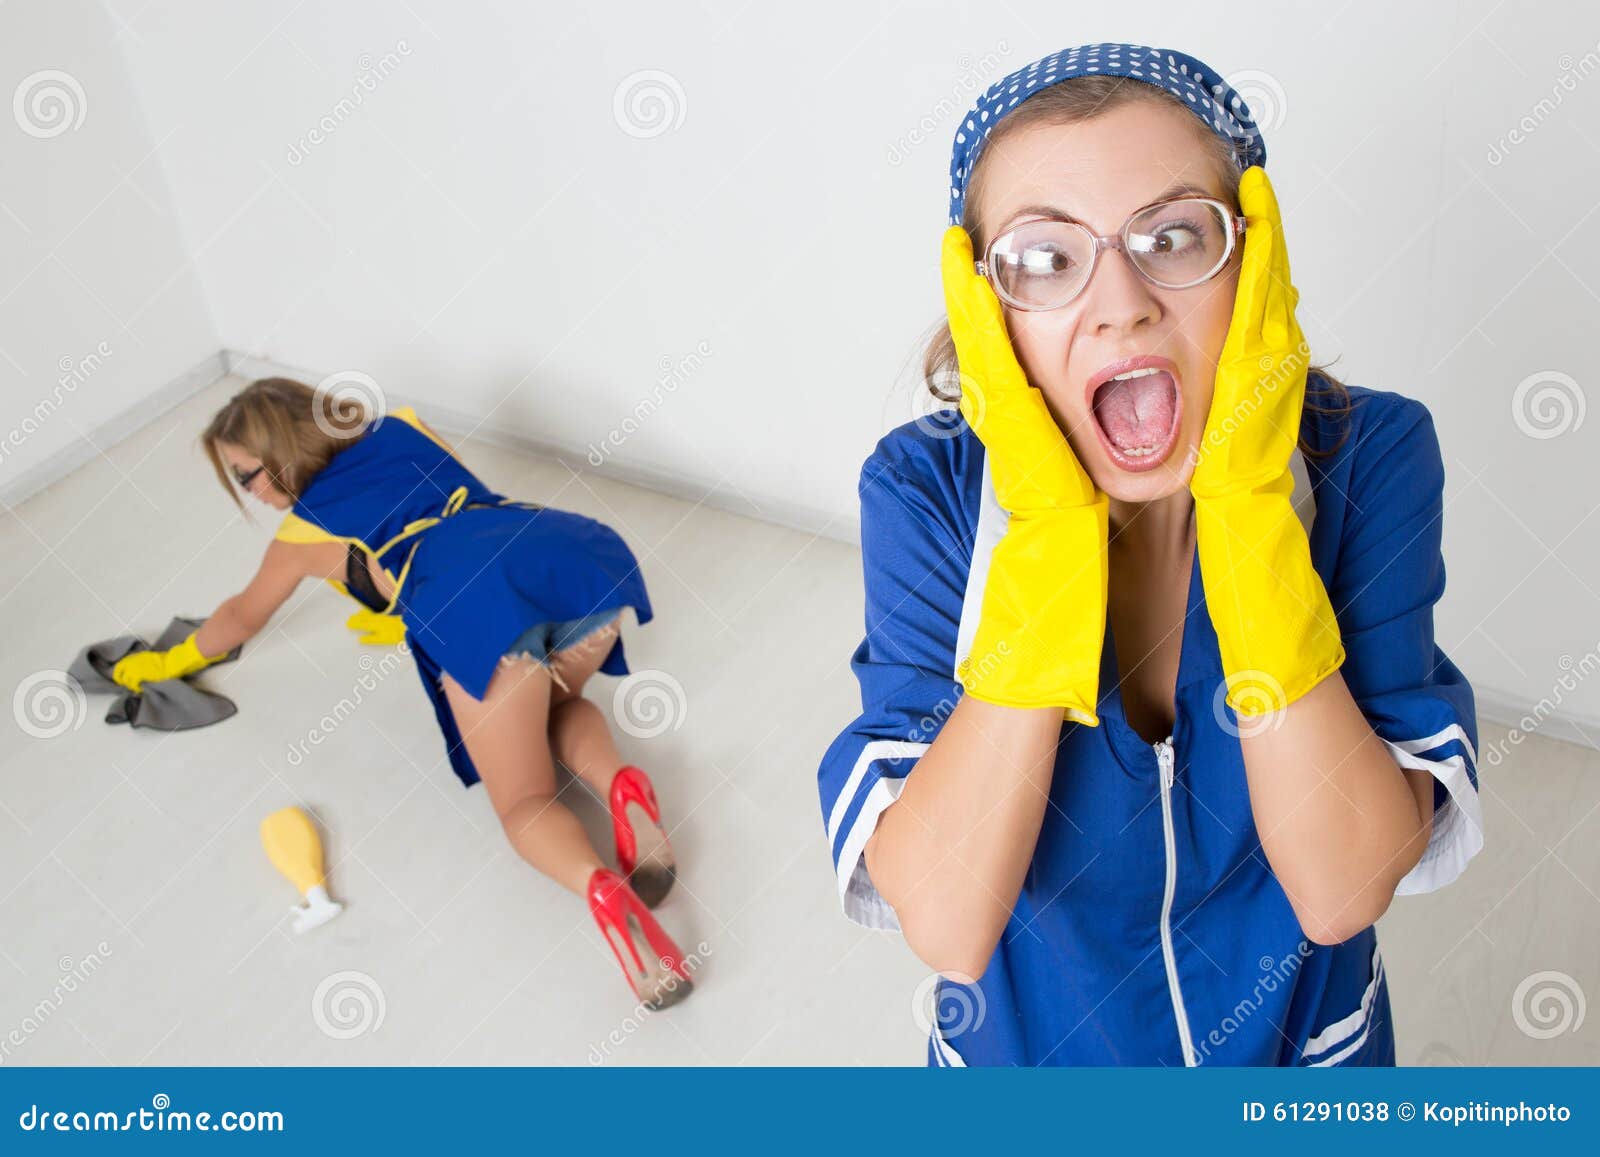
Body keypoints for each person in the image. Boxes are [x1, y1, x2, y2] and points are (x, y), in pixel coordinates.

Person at [817, 43, 1480, 1065]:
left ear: (1254, 264)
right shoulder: (925, 491)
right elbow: (946, 923)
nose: (1120, 302)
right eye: (1043, 259)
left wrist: (1253, 516)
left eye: (1171, 235)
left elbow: (1343, 887)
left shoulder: (1372, 455)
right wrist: (1044, 550)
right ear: (987, 313)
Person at [113, 377, 695, 1009]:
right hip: (569, 555)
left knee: (524, 801)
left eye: (246, 475)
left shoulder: (302, 536)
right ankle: (621, 789)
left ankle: (604, 891)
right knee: (554, 703)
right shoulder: (404, 425)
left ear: (279, 458)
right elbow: (452, 515)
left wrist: (162, 663)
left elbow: (237, 622)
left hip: (477, 612)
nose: (249, 492)